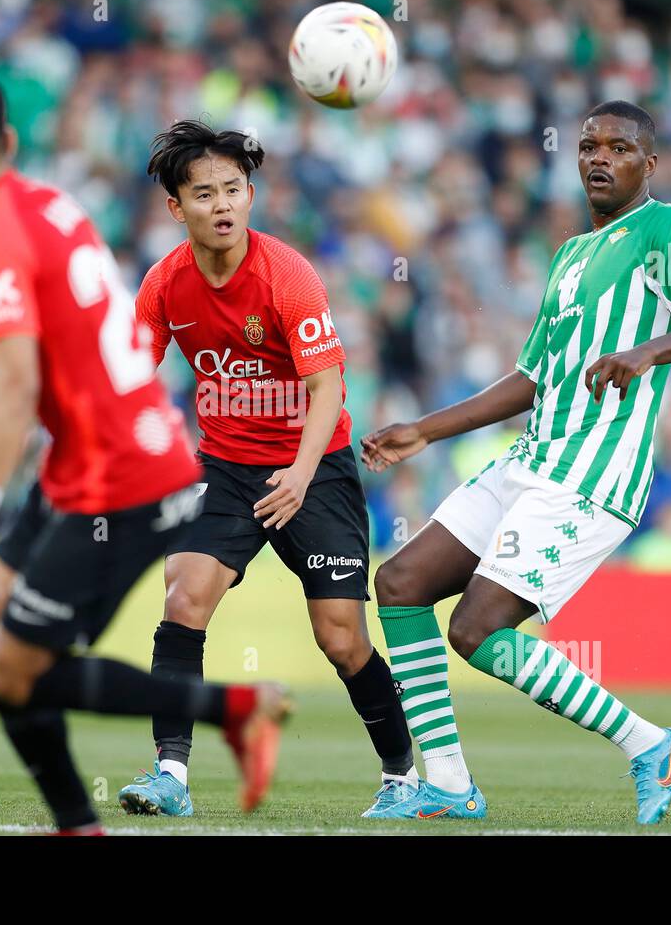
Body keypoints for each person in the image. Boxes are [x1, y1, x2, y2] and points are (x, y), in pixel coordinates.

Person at [0, 72, 290, 835]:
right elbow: (65, 349)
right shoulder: (51, 205)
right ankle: (76, 823)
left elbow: (16, 376)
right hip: (88, 464)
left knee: (18, 666)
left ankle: (233, 708)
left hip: (120, 477)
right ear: (10, 143)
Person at [363, 101, 671, 825]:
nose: (600, 158)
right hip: (531, 458)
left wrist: (644, 352)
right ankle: (449, 783)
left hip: (592, 471)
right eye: (589, 145)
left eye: (619, 148)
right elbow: (530, 378)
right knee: (401, 583)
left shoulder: (668, 230)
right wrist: (426, 432)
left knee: (474, 630)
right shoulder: (569, 254)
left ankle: (649, 744)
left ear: (648, 165)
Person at [121, 120, 477, 820]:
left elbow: (328, 390)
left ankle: (402, 774)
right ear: (176, 208)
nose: (221, 204)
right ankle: (170, 774)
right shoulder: (165, 284)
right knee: (184, 595)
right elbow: (131, 374)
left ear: (250, 195)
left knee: (340, 636)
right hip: (224, 467)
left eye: (233, 189)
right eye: (203, 194)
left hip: (314, 466)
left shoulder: (287, 277)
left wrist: (300, 474)